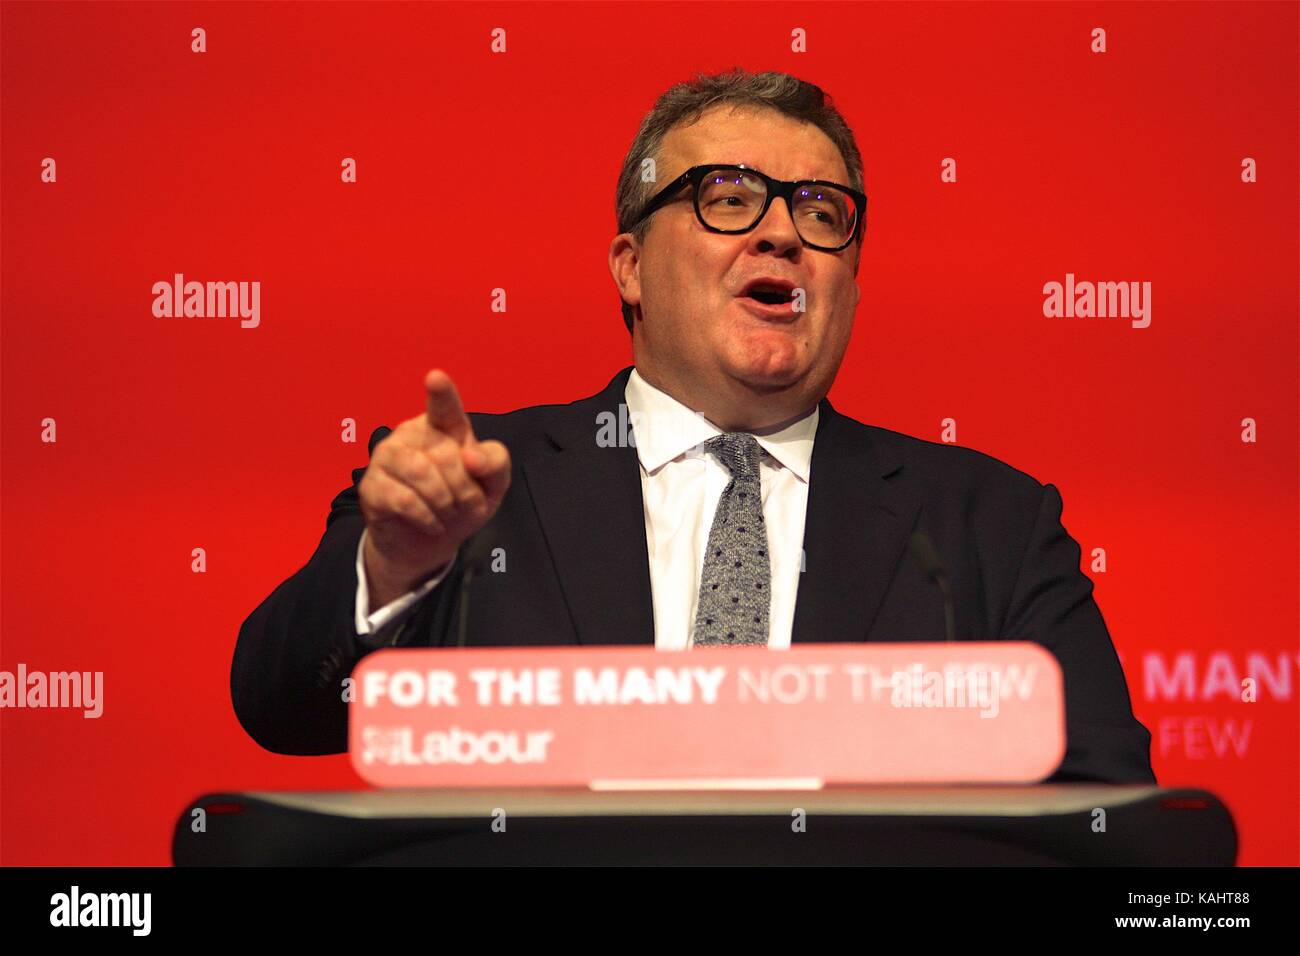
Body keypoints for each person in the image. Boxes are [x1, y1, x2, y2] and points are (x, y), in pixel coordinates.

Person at [231, 69, 1156, 785]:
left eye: (821, 210)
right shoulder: (474, 486)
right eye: (727, 197)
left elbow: (1109, 819)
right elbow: (282, 706)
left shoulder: (987, 523)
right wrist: (393, 568)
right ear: (630, 265)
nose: (784, 235)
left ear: (853, 282)